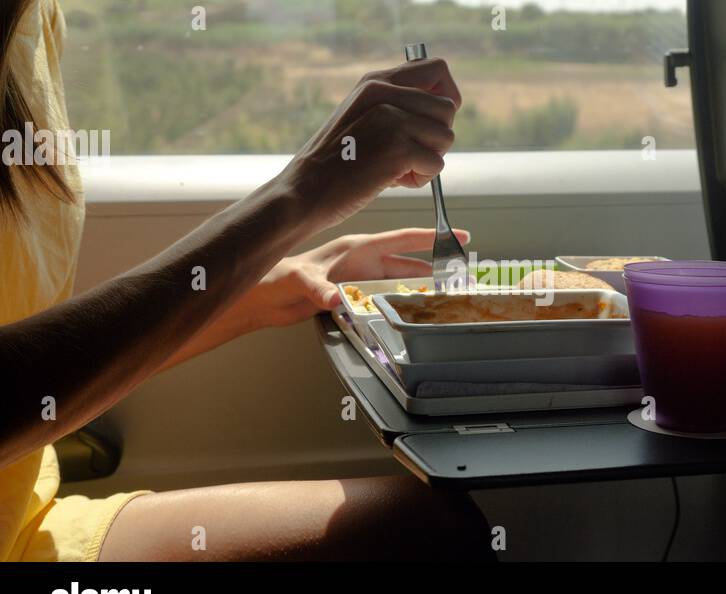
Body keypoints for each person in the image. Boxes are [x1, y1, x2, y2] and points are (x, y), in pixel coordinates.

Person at [0, 0, 493, 561]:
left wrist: (259, 291)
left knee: (434, 533)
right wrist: (299, 194)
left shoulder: (34, 20)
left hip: (24, 520)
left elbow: (53, 347)